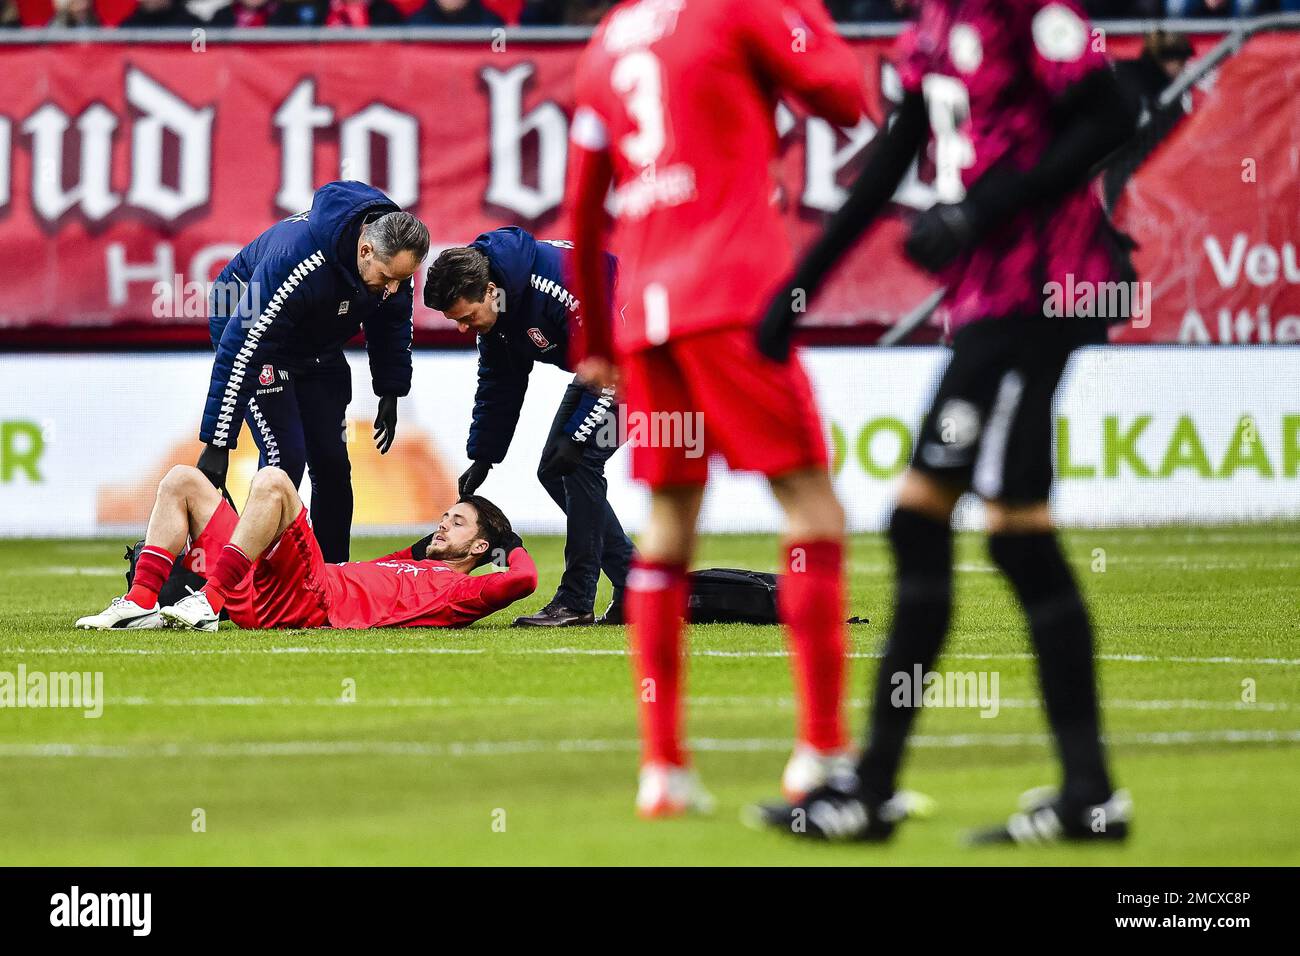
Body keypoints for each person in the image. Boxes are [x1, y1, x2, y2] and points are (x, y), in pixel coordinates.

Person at [753, 0, 1138, 845]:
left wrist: (979, 215)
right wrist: (798, 289)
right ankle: (1087, 796)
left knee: (920, 518)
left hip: (1043, 288)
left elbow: (1113, 110)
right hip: (993, 299)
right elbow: (893, 159)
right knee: (1015, 536)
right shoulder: (928, 25)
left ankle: (873, 789)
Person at [566, 0, 867, 817]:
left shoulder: (611, 37)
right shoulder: (739, 7)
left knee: (668, 524)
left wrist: (598, 338)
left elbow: (584, 206)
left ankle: (663, 770)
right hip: (731, 296)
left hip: (648, 314)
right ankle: (821, 753)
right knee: (812, 507)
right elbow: (846, 95)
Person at [197, 182, 428, 564]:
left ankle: (333, 575)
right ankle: (246, 579)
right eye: (387, 277)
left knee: (333, 465)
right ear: (365, 249)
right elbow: (241, 350)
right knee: (284, 459)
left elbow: (392, 324)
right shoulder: (296, 260)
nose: (393, 289)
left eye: (401, 280)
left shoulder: (395, 262)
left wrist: (390, 391)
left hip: (316, 345)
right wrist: (219, 441)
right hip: (249, 329)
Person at [425, 228, 634, 627]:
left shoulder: (559, 287)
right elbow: (499, 383)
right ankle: (634, 585)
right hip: (605, 366)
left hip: (644, 358)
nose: (463, 329)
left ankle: (575, 601)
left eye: (467, 318)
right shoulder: (500, 306)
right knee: (554, 470)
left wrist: (576, 436)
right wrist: (484, 455)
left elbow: (614, 360)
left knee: (580, 461)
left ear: (489, 291)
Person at [76, 465, 536, 632]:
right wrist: (454, 525)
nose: (442, 524)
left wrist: (509, 542)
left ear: (480, 545)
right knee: (183, 480)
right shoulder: (411, 561)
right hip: (257, 588)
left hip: (310, 599)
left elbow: (524, 579)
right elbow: (428, 544)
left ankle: (206, 602)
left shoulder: (460, 593)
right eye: (443, 516)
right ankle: (138, 603)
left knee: (274, 481)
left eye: (456, 522)